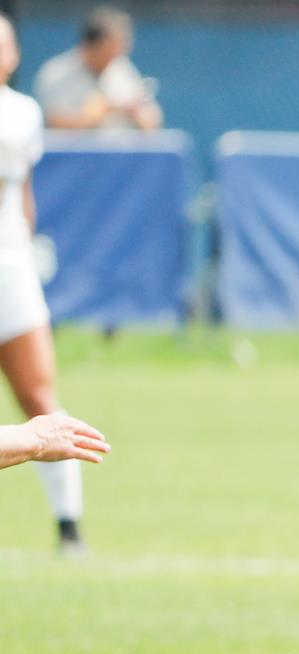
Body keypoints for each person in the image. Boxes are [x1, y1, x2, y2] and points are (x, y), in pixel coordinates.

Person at [1, 16, 98, 551]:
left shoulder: (21, 112)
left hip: (9, 265)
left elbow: (22, 191)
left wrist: (28, 240)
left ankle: (69, 524)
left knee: (39, 395)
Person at [33, 7, 161, 132]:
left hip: (119, 145)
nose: (121, 50)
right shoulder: (56, 73)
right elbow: (54, 124)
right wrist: (100, 111)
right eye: (112, 45)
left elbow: (151, 121)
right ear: (91, 45)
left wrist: (138, 113)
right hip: (75, 146)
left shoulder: (122, 68)